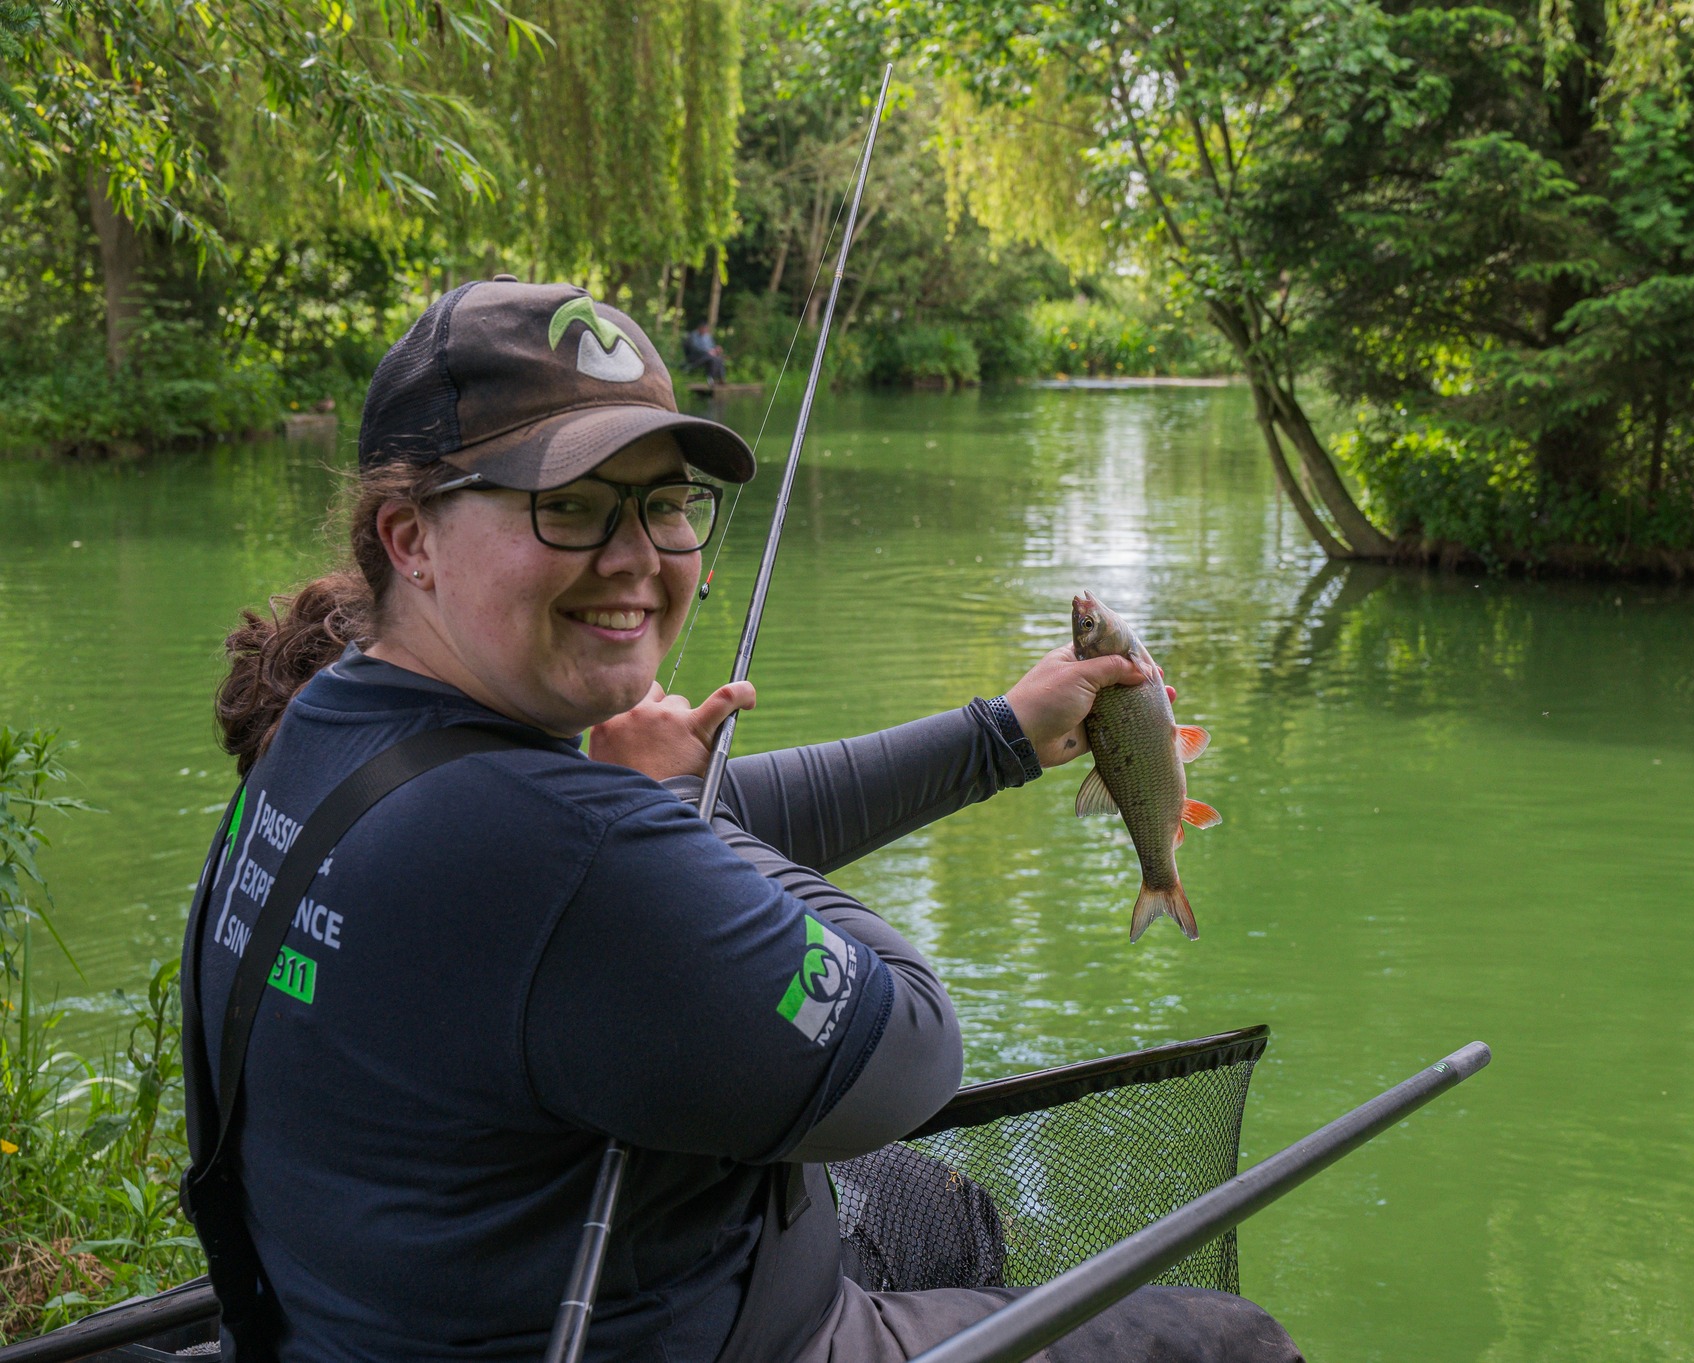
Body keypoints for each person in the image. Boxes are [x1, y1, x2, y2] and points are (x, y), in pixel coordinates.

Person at [185, 277, 1302, 1362]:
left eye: (665, 503)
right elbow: (914, 1048)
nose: (635, 557)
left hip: (388, 1310)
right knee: (1221, 1340)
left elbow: (658, 855)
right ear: (408, 537)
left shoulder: (329, 735)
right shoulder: (566, 848)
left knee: (930, 1214)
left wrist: (996, 736)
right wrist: (662, 804)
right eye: (566, 506)